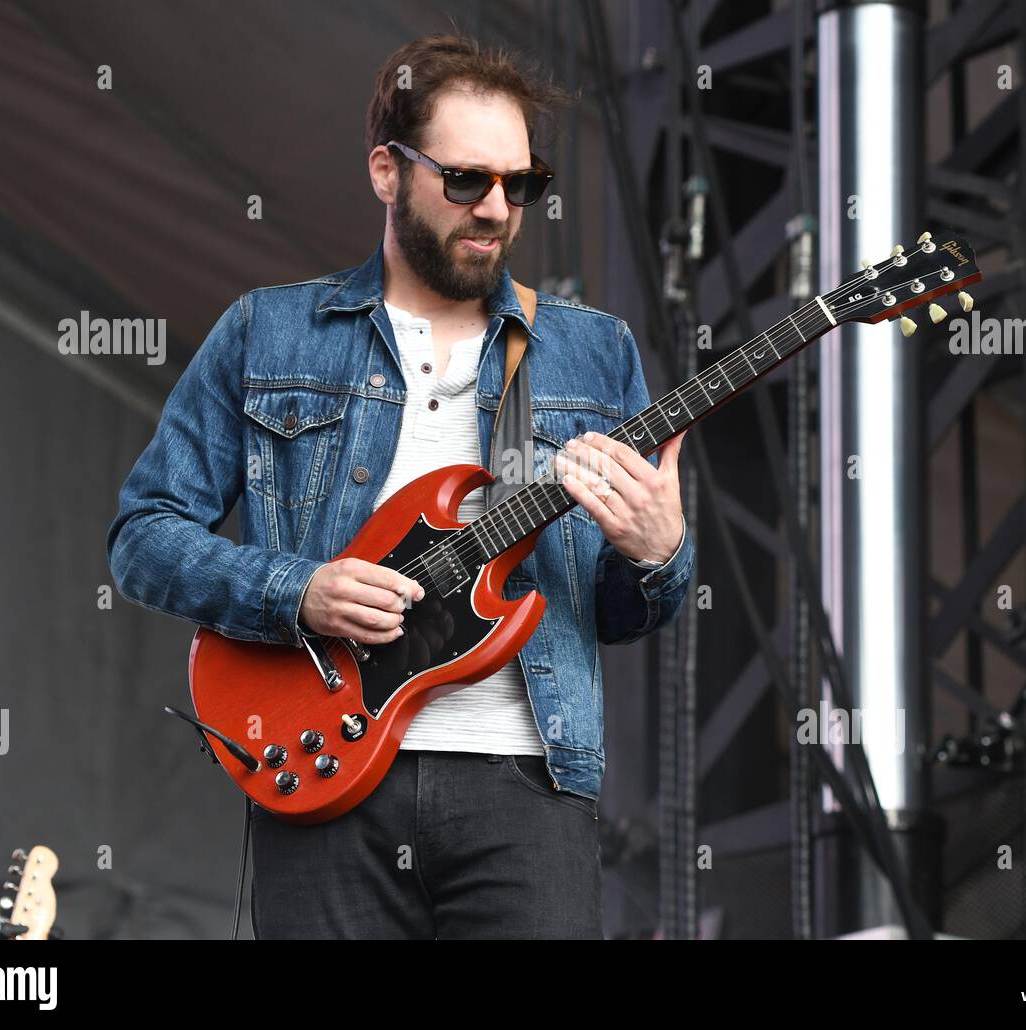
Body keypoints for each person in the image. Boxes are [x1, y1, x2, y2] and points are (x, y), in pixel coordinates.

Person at [107, 33, 695, 939]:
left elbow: (615, 613)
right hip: (328, 779)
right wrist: (298, 591)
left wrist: (658, 555)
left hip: (526, 793)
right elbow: (143, 536)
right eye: (466, 181)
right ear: (387, 171)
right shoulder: (269, 334)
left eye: (521, 185)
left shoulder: (592, 350)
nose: (497, 209)